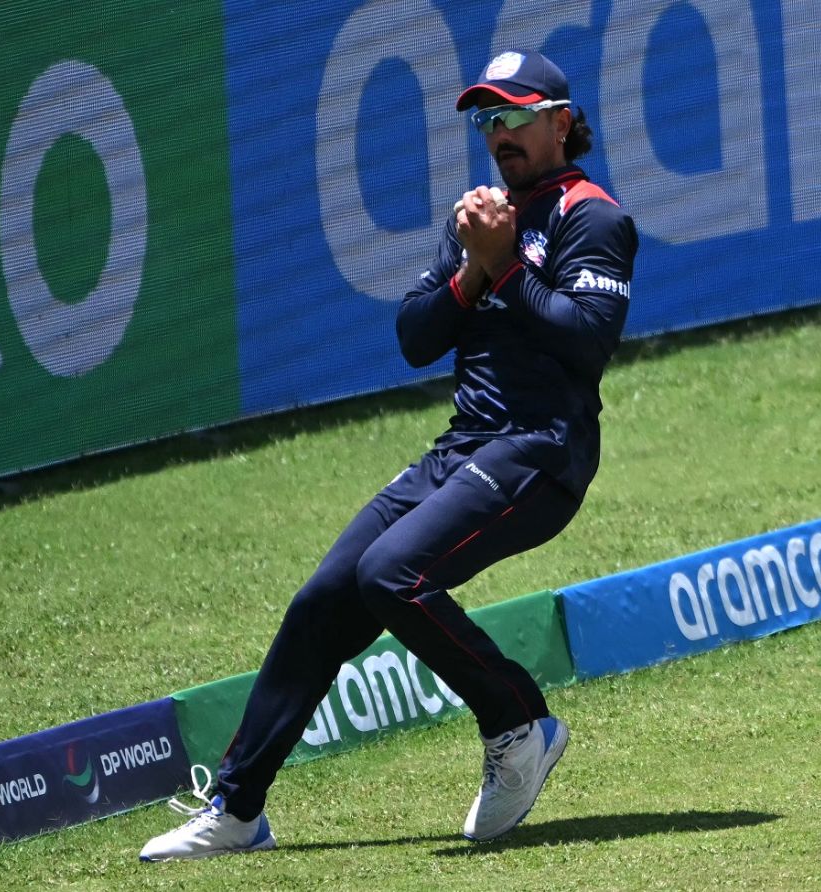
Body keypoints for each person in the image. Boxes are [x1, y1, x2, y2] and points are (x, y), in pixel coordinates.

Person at [139, 49, 638, 861]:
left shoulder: (594, 217)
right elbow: (415, 337)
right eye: (485, 120)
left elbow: (588, 342)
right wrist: (475, 271)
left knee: (390, 574)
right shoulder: (475, 215)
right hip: (464, 448)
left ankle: (517, 722)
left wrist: (503, 264)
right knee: (325, 599)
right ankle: (236, 810)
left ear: (559, 122)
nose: (498, 134)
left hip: (541, 451)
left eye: (512, 116)